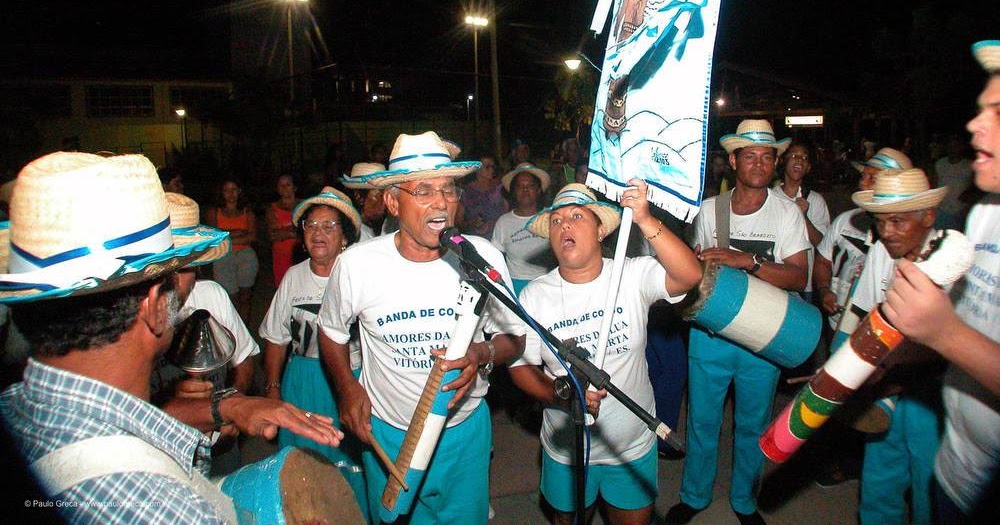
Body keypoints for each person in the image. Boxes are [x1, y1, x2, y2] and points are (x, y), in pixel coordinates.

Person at [0, 152, 341, 524]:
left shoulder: (18, 406)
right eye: (173, 278)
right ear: (154, 307)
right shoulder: (164, 507)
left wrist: (221, 406)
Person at [316, 131, 527, 523]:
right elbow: (330, 333)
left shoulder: (482, 257)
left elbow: (515, 337)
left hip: (463, 429)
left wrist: (482, 354)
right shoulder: (357, 265)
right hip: (390, 430)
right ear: (393, 202)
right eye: (424, 190)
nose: (441, 203)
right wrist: (347, 388)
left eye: (448, 190)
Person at [510, 183, 701, 524]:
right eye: (556, 221)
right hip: (567, 448)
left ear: (600, 230)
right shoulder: (534, 297)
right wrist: (560, 396)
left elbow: (689, 275)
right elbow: (521, 367)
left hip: (631, 444)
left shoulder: (631, 274)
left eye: (577, 216)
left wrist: (644, 218)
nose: (564, 225)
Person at [667, 119, 810, 525]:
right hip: (711, 333)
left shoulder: (787, 214)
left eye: (768, 157)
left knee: (753, 424)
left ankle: (745, 502)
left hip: (764, 335)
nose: (760, 164)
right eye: (751, 156)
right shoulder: (711, 210)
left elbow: (799, 276)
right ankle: (694, 496)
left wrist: (748, 260)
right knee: (702, 421)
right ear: (733, 161)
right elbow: (697, 272)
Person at [881, 39, 1000, 524]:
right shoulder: (986, 215)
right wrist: (894, 350)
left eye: (997, 110)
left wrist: (942, 331)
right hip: (957, 472)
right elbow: (965, 329)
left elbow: (953, 332)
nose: (973, 124)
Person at [259, 186, 371, 520]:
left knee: (350, 464)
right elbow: (276, 337)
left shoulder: (359, 277)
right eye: (310, 225)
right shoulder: (294, 277)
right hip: (302, 381)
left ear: (345, 238)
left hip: (348, 382)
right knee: (303, 464)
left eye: (328, 226)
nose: (317, 233)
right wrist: (273, 388)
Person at [846, 168, 948, 525]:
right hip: (885, 387)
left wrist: (890, 367)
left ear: (928, 216)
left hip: (933, 397)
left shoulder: (950, 259)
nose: (886, 232)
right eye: (881, 221)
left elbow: (952, 345)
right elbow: (869, 317)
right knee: (879, 481)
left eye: (898, 222)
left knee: (928, 488)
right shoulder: (881, 251)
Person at [153, 192, 259, 477]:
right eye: (164, 270)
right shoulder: (137, 321)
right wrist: (171, 399)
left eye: (183, 269)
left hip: (220, 445)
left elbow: (245, 358)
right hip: (162, 452)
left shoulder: (212, 295)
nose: (173, 282)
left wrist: (231, 405)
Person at [773, 142, 830, 301]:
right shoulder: (771, 197)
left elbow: (823, 245)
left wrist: (803, 216)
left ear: (808, 168)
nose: (799, 160)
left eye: (804, 158)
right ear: (783, 161)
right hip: (774, 279)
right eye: (794, 156)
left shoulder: (816, 200)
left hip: (806, 285)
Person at [492, 162, 553, 295]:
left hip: (549, 283)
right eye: (520, 186)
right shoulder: (503, 222)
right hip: (517, 286)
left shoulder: (552, 217)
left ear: (538, 189)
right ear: (513, 191)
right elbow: (495, 258)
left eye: (530, 186)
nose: (525, 190)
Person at [205, 178, 259, 324]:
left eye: (234, 189)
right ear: (221, 193)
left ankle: (245, 332)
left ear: (239, 191)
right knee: (229, 298)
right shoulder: (214, 212)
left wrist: (226, 235)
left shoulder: (247, 212)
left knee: (245, 297)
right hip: (223, 257)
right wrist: (239, 233)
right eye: (226, 190)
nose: (230, 194)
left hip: (246, 256)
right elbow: (214, 237)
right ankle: (232, 331)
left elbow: (252, 236)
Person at [458, 155, 508, 237]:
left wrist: (493, 223)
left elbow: (509, 214)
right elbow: (458, 222)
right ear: (477, 169)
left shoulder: (500, 187)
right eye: (487, 167)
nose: (492, 170)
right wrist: (471, 223)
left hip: (501, 236)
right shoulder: (466, 191)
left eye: (493, 166)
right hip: (477, 240)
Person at [933, 135, 975, 230]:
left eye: (956, 146)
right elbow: (934, 185)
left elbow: (974, 187)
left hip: (960, 210)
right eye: (951, 146)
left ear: (962, 148)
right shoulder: (940, 163)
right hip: (941, 209)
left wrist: (967, 194)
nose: (953, 149)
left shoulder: (969, 165)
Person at [266, 174, 302, 286]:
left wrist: (283, 232)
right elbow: (272, 236)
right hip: (281, 255)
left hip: (302, 253)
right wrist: (295, 230)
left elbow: (307, 231)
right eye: (281, 185)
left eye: (288, 184)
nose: (284, 187)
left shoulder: (305, 205)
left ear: (295, 187)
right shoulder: (272, 209)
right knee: (283, 288)